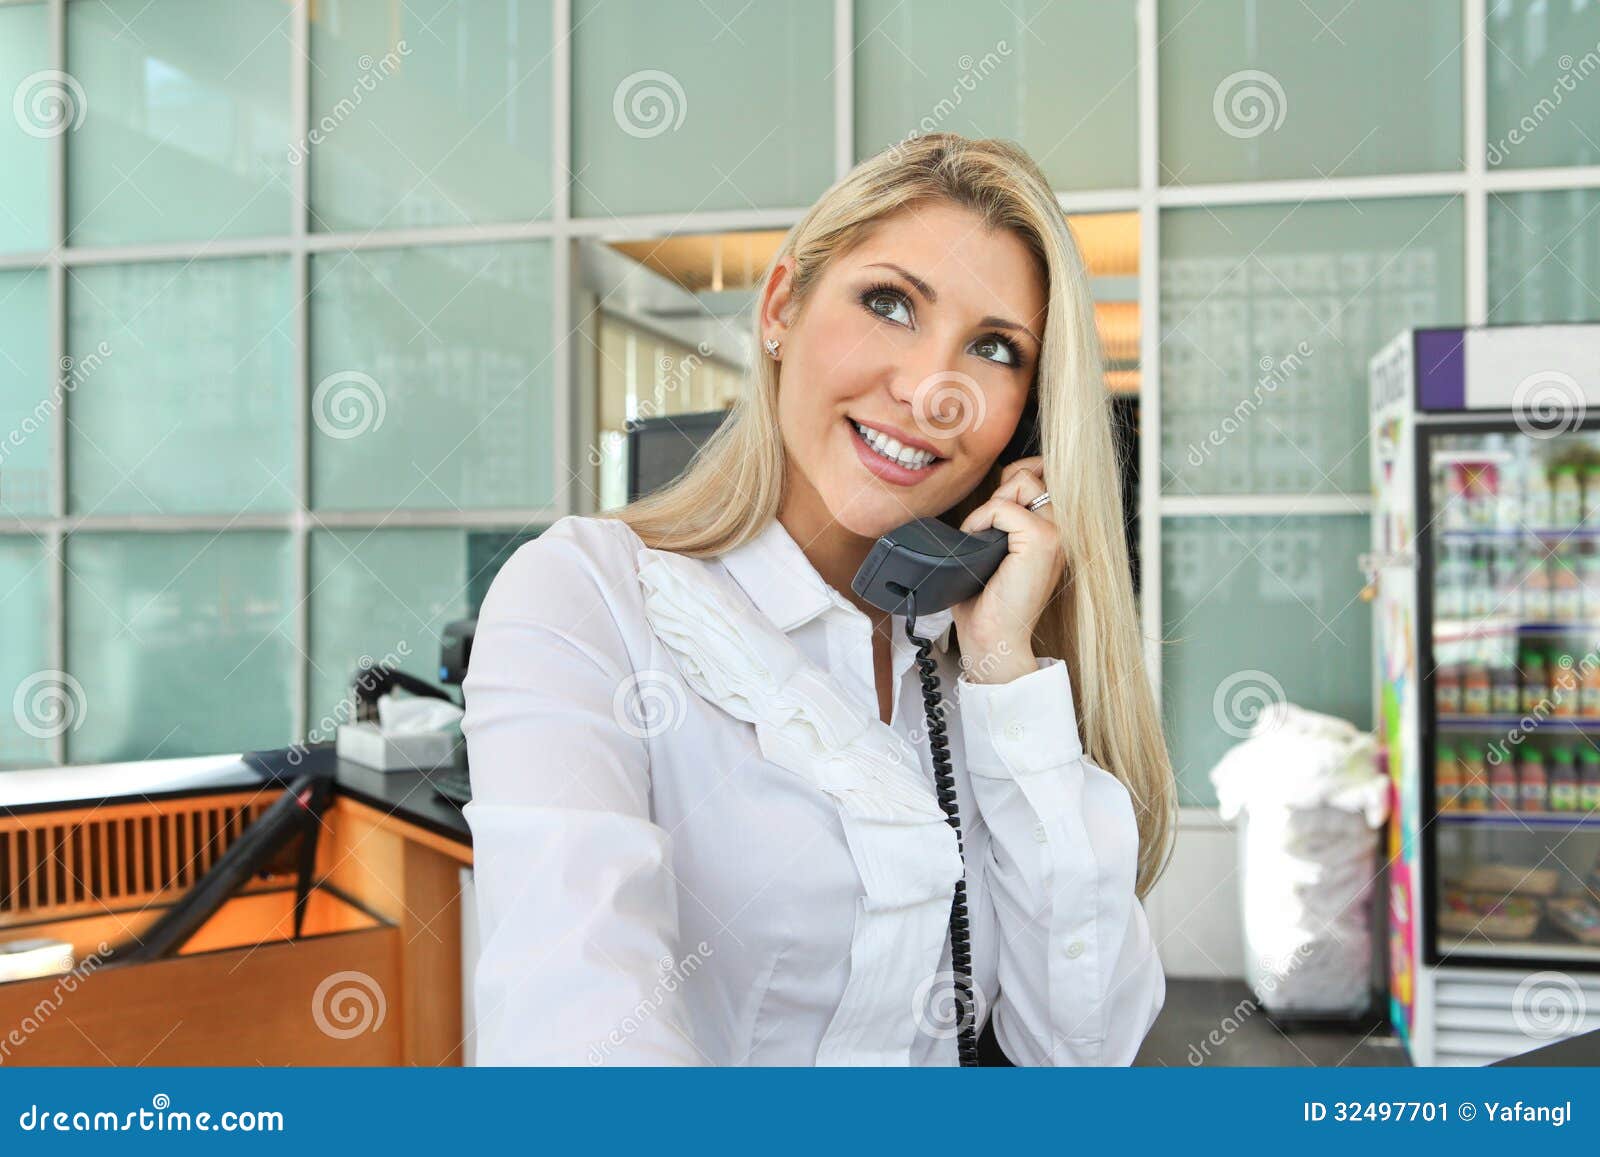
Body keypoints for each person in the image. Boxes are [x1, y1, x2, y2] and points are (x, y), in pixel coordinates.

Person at [461, 132, 1176, 1066]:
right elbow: (579, 1038)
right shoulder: (588, 595)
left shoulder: (974, 658)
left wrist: (1006, 670)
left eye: (995, 349)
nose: (933, 393)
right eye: (890, 304)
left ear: (1028, 419)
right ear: (782, 306)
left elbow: (1081, 1054)